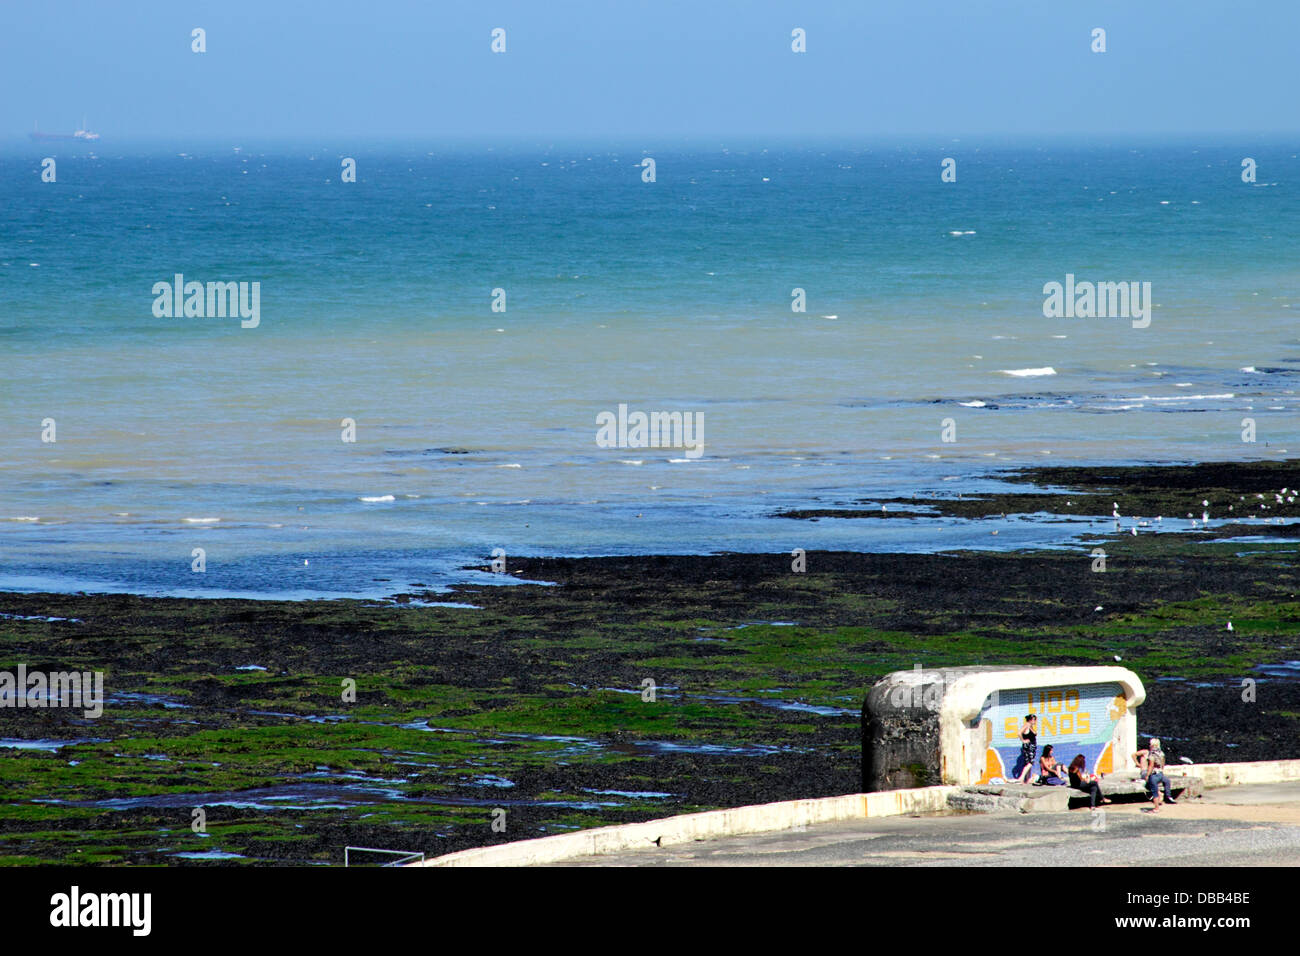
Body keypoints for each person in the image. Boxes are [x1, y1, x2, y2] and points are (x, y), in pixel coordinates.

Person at [1132, 737, 1175, 809]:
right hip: (1146, 771)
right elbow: (1133, 755)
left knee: (1167, 781)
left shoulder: (1158, 754)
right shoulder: (1146, 752)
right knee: (1152, 782)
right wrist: (1137, 763)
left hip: (1155, 772)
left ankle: (1168, 796)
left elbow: (1161, 765)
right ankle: (1159, 795)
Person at [1014, 714, 1038, 783]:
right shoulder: (1027, 725)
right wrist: (1023, 740)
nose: (1035, 722)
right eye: (1034, 720)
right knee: (1030, 762)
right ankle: (1021, 777)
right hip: (1029, 746)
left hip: (1031, 746)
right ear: (1031, 720)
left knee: (1028, 763)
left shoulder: (1030, 726)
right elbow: (1019, 733)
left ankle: (1027, 779)